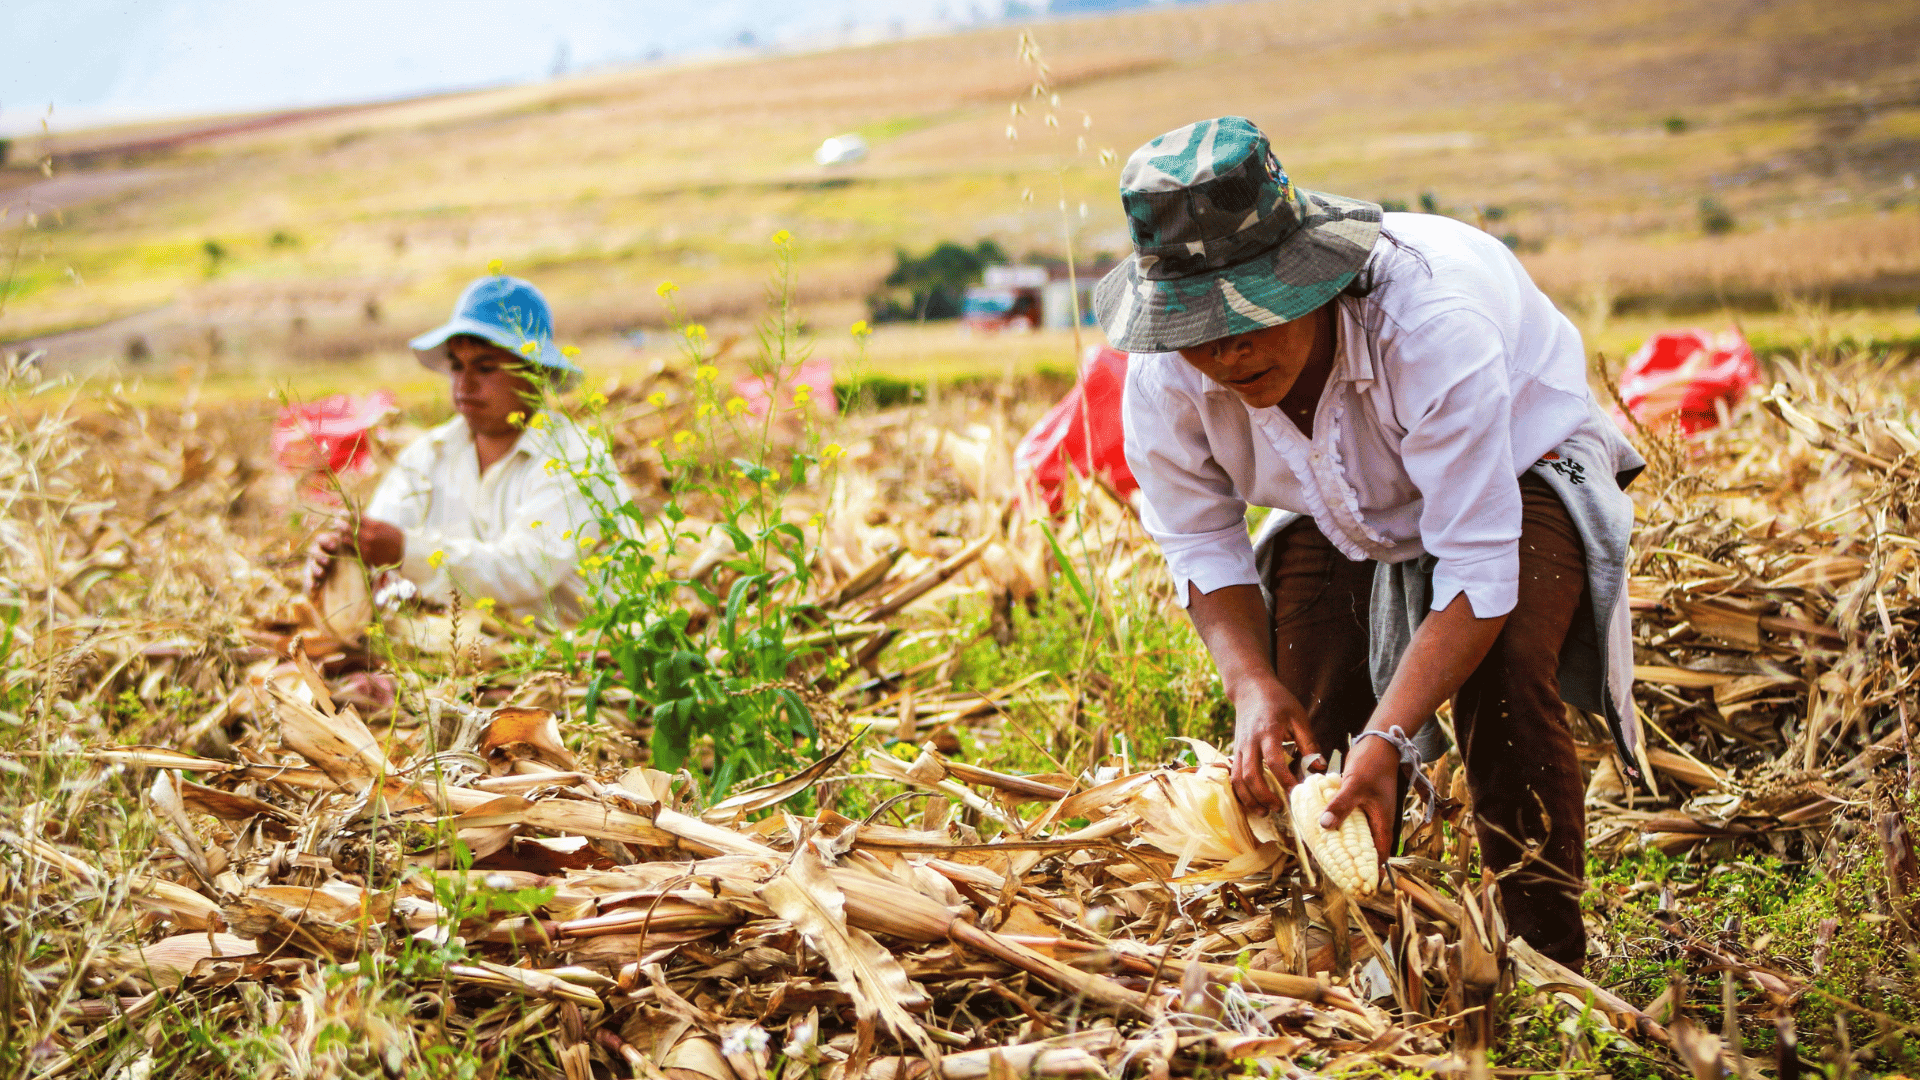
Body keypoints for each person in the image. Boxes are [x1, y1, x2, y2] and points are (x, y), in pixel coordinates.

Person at [1099, 117, 1646, 968]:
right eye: (1198, 328)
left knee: (1502, 670)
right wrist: (1250, 687)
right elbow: (1201, 539)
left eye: (1250, 316)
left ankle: (1549, 958)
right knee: (1304, 716)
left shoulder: (1430, 326)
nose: (1228, 352)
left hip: (1519, 463)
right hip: (1333, 499)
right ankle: (1359, 954)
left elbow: (1478, 567)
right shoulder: (1165, 377)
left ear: (1310, 278)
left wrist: (1391, 736)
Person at [309, 274, 629, 626]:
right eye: (456, 366)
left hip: (572, 648)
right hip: (462, 646)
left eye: (485, 368)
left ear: (536, 373)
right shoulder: (427, 456)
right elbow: (379, 544)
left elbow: (526, 570)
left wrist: (405, 551)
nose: (464, 383)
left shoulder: (576, 460)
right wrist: (341, 561)